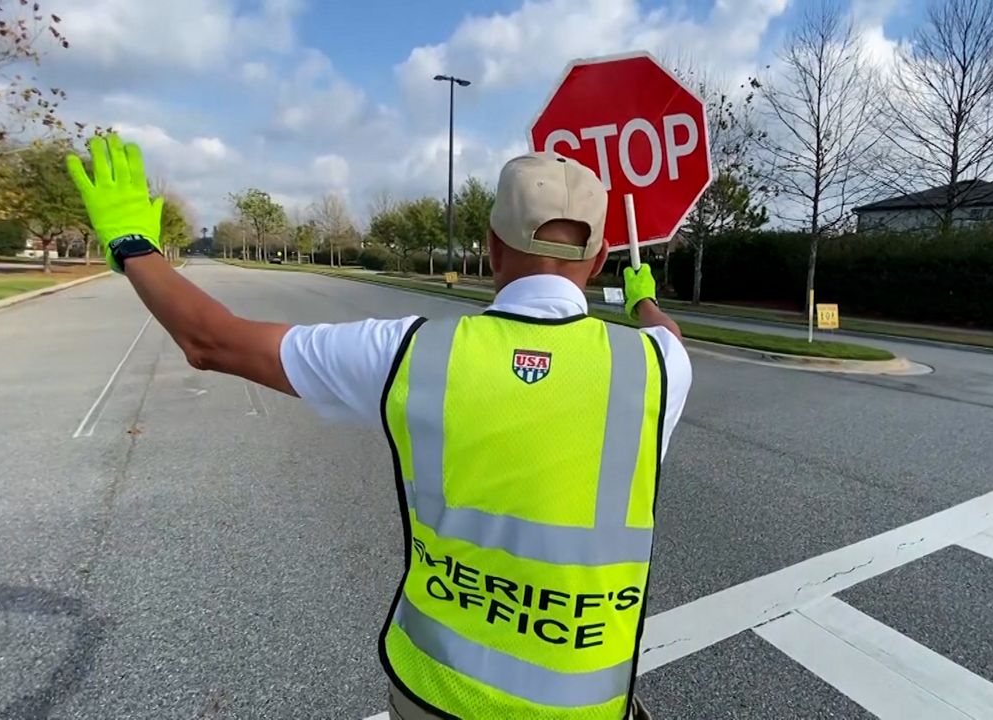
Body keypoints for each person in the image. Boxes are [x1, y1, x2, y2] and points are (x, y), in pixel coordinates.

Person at [67, 135, 692, 720]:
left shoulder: (412, 353)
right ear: (602, 258)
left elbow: (212, 342)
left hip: (436, 691)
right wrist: (641, 298)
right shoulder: (661, 367)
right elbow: (667, 332)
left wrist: (133, 249)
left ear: (493, 247)